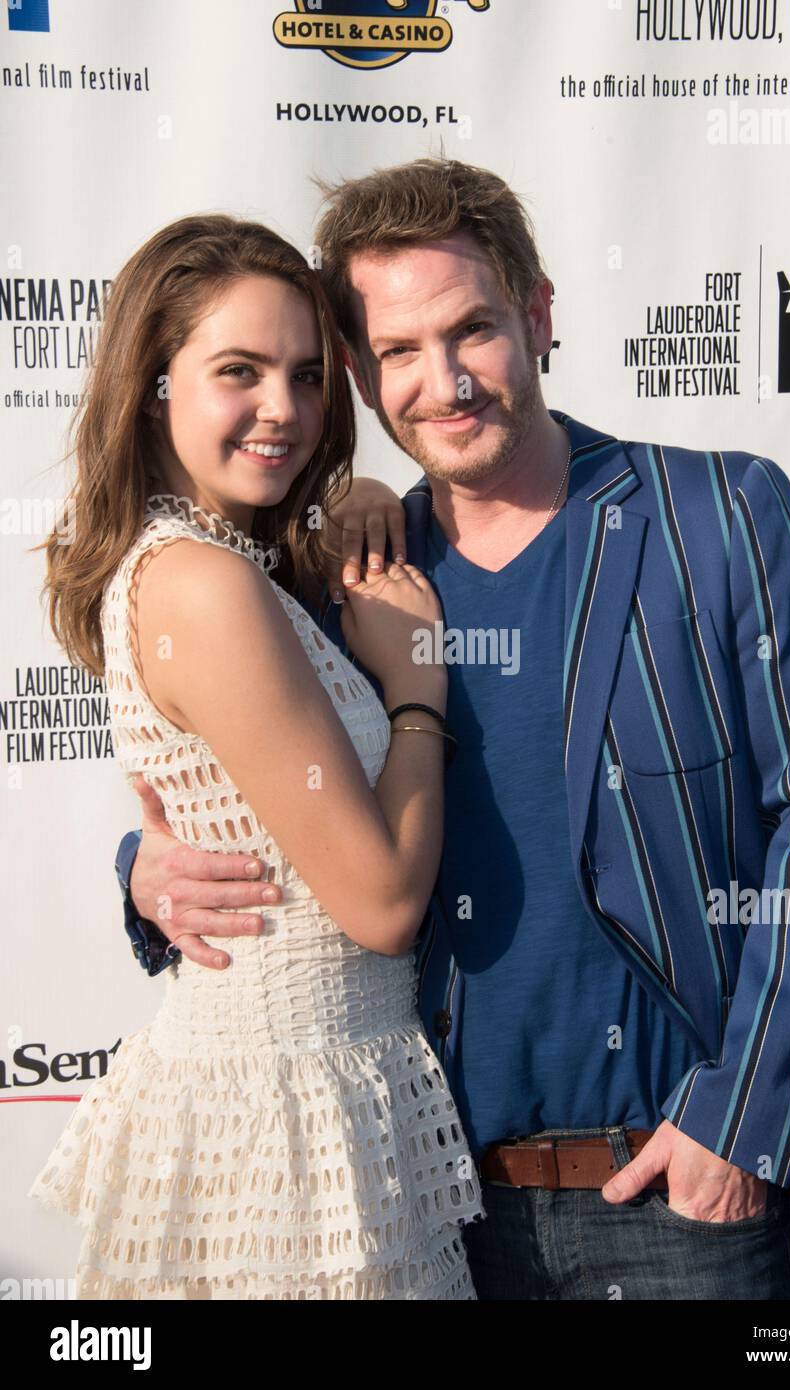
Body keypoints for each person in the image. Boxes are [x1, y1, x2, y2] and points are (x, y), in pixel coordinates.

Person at [112, 162, 790, 1300]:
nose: (442, 383)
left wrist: (741, 1121)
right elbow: (271, 791)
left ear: (538, 314)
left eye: (473, 329)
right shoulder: (344, 572)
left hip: (671, 1190)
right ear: (359, 369)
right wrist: (143, 869)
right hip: (427, 1204)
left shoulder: (716, 515)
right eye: (397, 351)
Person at [27, 212, 485, 1299]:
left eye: (308, 375)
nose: (285, 408)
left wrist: (350, 501)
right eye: (240, 371)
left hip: (311, 1093)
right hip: (283, 1119)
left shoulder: (233, 561)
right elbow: (378, 904)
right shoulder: (204, 583)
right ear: (154, 382)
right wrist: (420, 687)